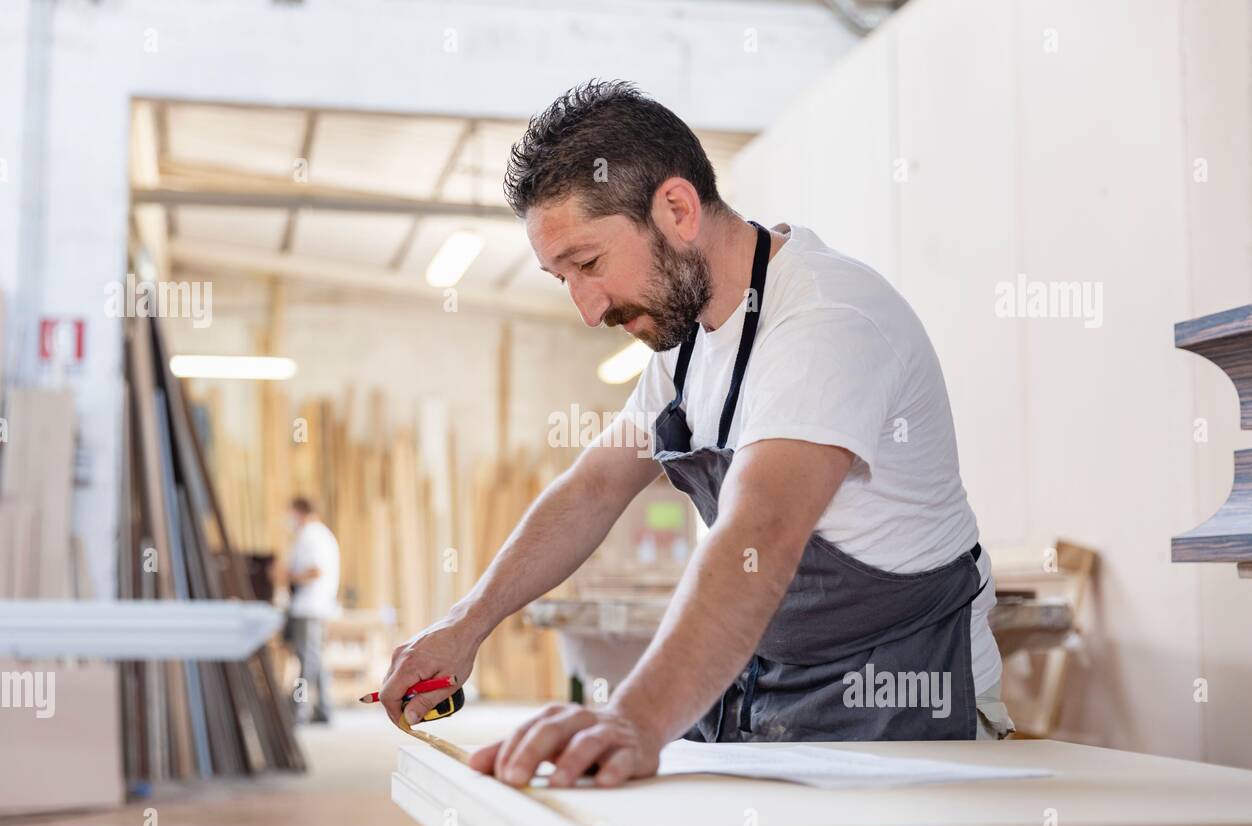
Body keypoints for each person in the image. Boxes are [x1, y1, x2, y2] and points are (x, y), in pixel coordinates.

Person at [379, 79, 1015, 787]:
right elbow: (592, 489)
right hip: (767, 701)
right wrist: (466, 625)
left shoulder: (826, 321)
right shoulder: (686, 343)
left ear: (677, 209)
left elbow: (759, 530)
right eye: (562, 279)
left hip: (906, 718)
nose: (588, 310)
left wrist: (634, 719)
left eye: (588, 264)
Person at [282, 496, 340, 724]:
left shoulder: (312, 535)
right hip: (313, 606)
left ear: (300, 512)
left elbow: (315, 571)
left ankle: (300, 710)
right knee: (315, 658)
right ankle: (324, 708)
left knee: (308, 660)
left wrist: (287, 576)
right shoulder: (317, 534)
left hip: (310, 606)